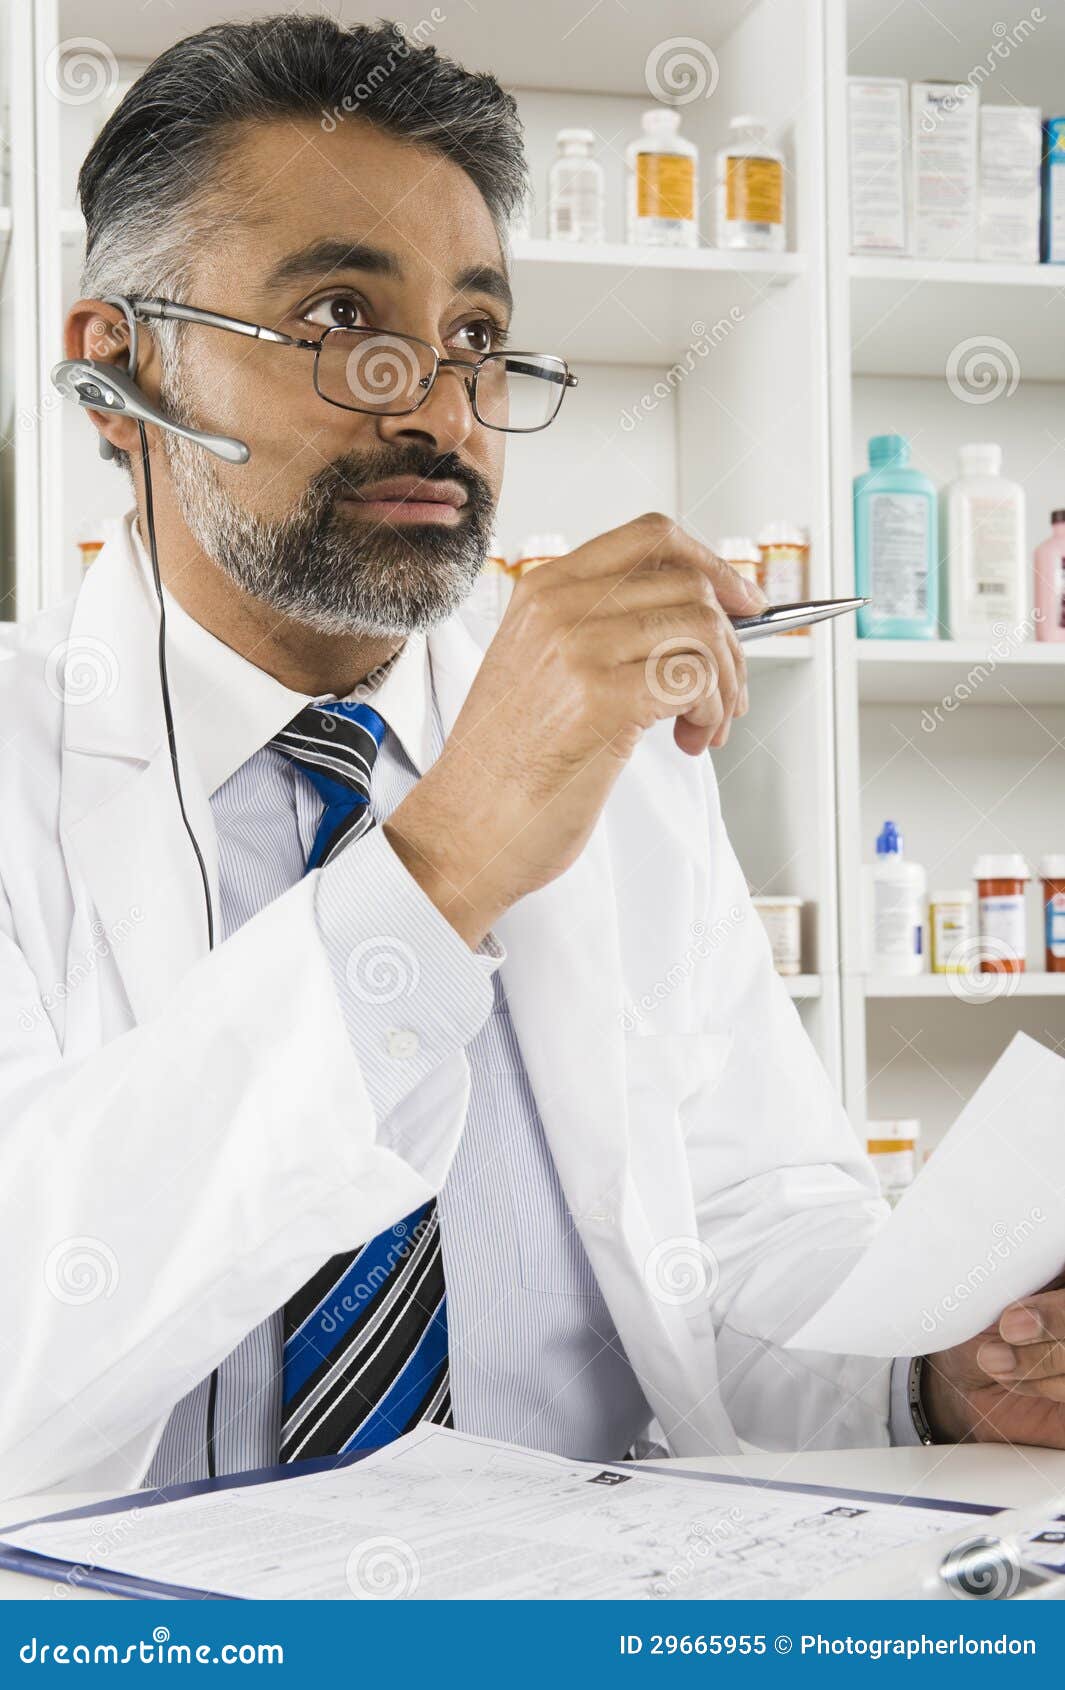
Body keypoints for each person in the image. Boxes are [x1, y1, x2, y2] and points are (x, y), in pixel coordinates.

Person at [1, 15, 1061, 1502]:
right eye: (335, 322)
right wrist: (439, 872)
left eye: (477, 340)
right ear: (120, 365)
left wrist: (931, 1367)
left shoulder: (610, 755)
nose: (436, 411)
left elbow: (747, 1221)